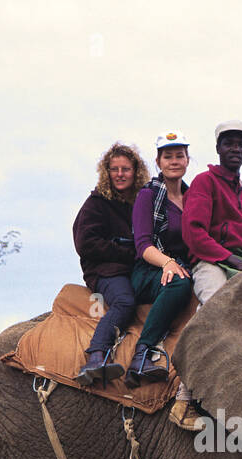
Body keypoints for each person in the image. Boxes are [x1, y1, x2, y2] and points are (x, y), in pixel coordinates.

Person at [72, 142, 149, 385]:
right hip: (105, 271)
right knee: (125, 301)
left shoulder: (140, 202)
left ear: (135, 172)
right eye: (114, 169)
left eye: (125, 169)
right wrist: (128, 251)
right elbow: (86, 243)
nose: (119, 174)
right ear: (107, 172)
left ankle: (148, 355)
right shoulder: (96, 203)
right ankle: (97, 355)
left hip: (133, 269)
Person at [124, 131, 195, 390]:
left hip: (182, 264)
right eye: (168, 156)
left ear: (188, 160)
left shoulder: (193, 198)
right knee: (179, 284)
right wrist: (166, 263)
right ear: (158, 162)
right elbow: (142, 244)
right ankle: (142, 354)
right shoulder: (148, 195)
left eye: (179, 155)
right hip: (148, 269)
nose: (174, 161)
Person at [181, 120, 242, 307]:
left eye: (241, 144)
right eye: (229, 144)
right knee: (217, 307)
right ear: (218, 148)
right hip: (210, 263)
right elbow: (194, 233)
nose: (236, 149)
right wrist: (235, 261)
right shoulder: (204, 182)